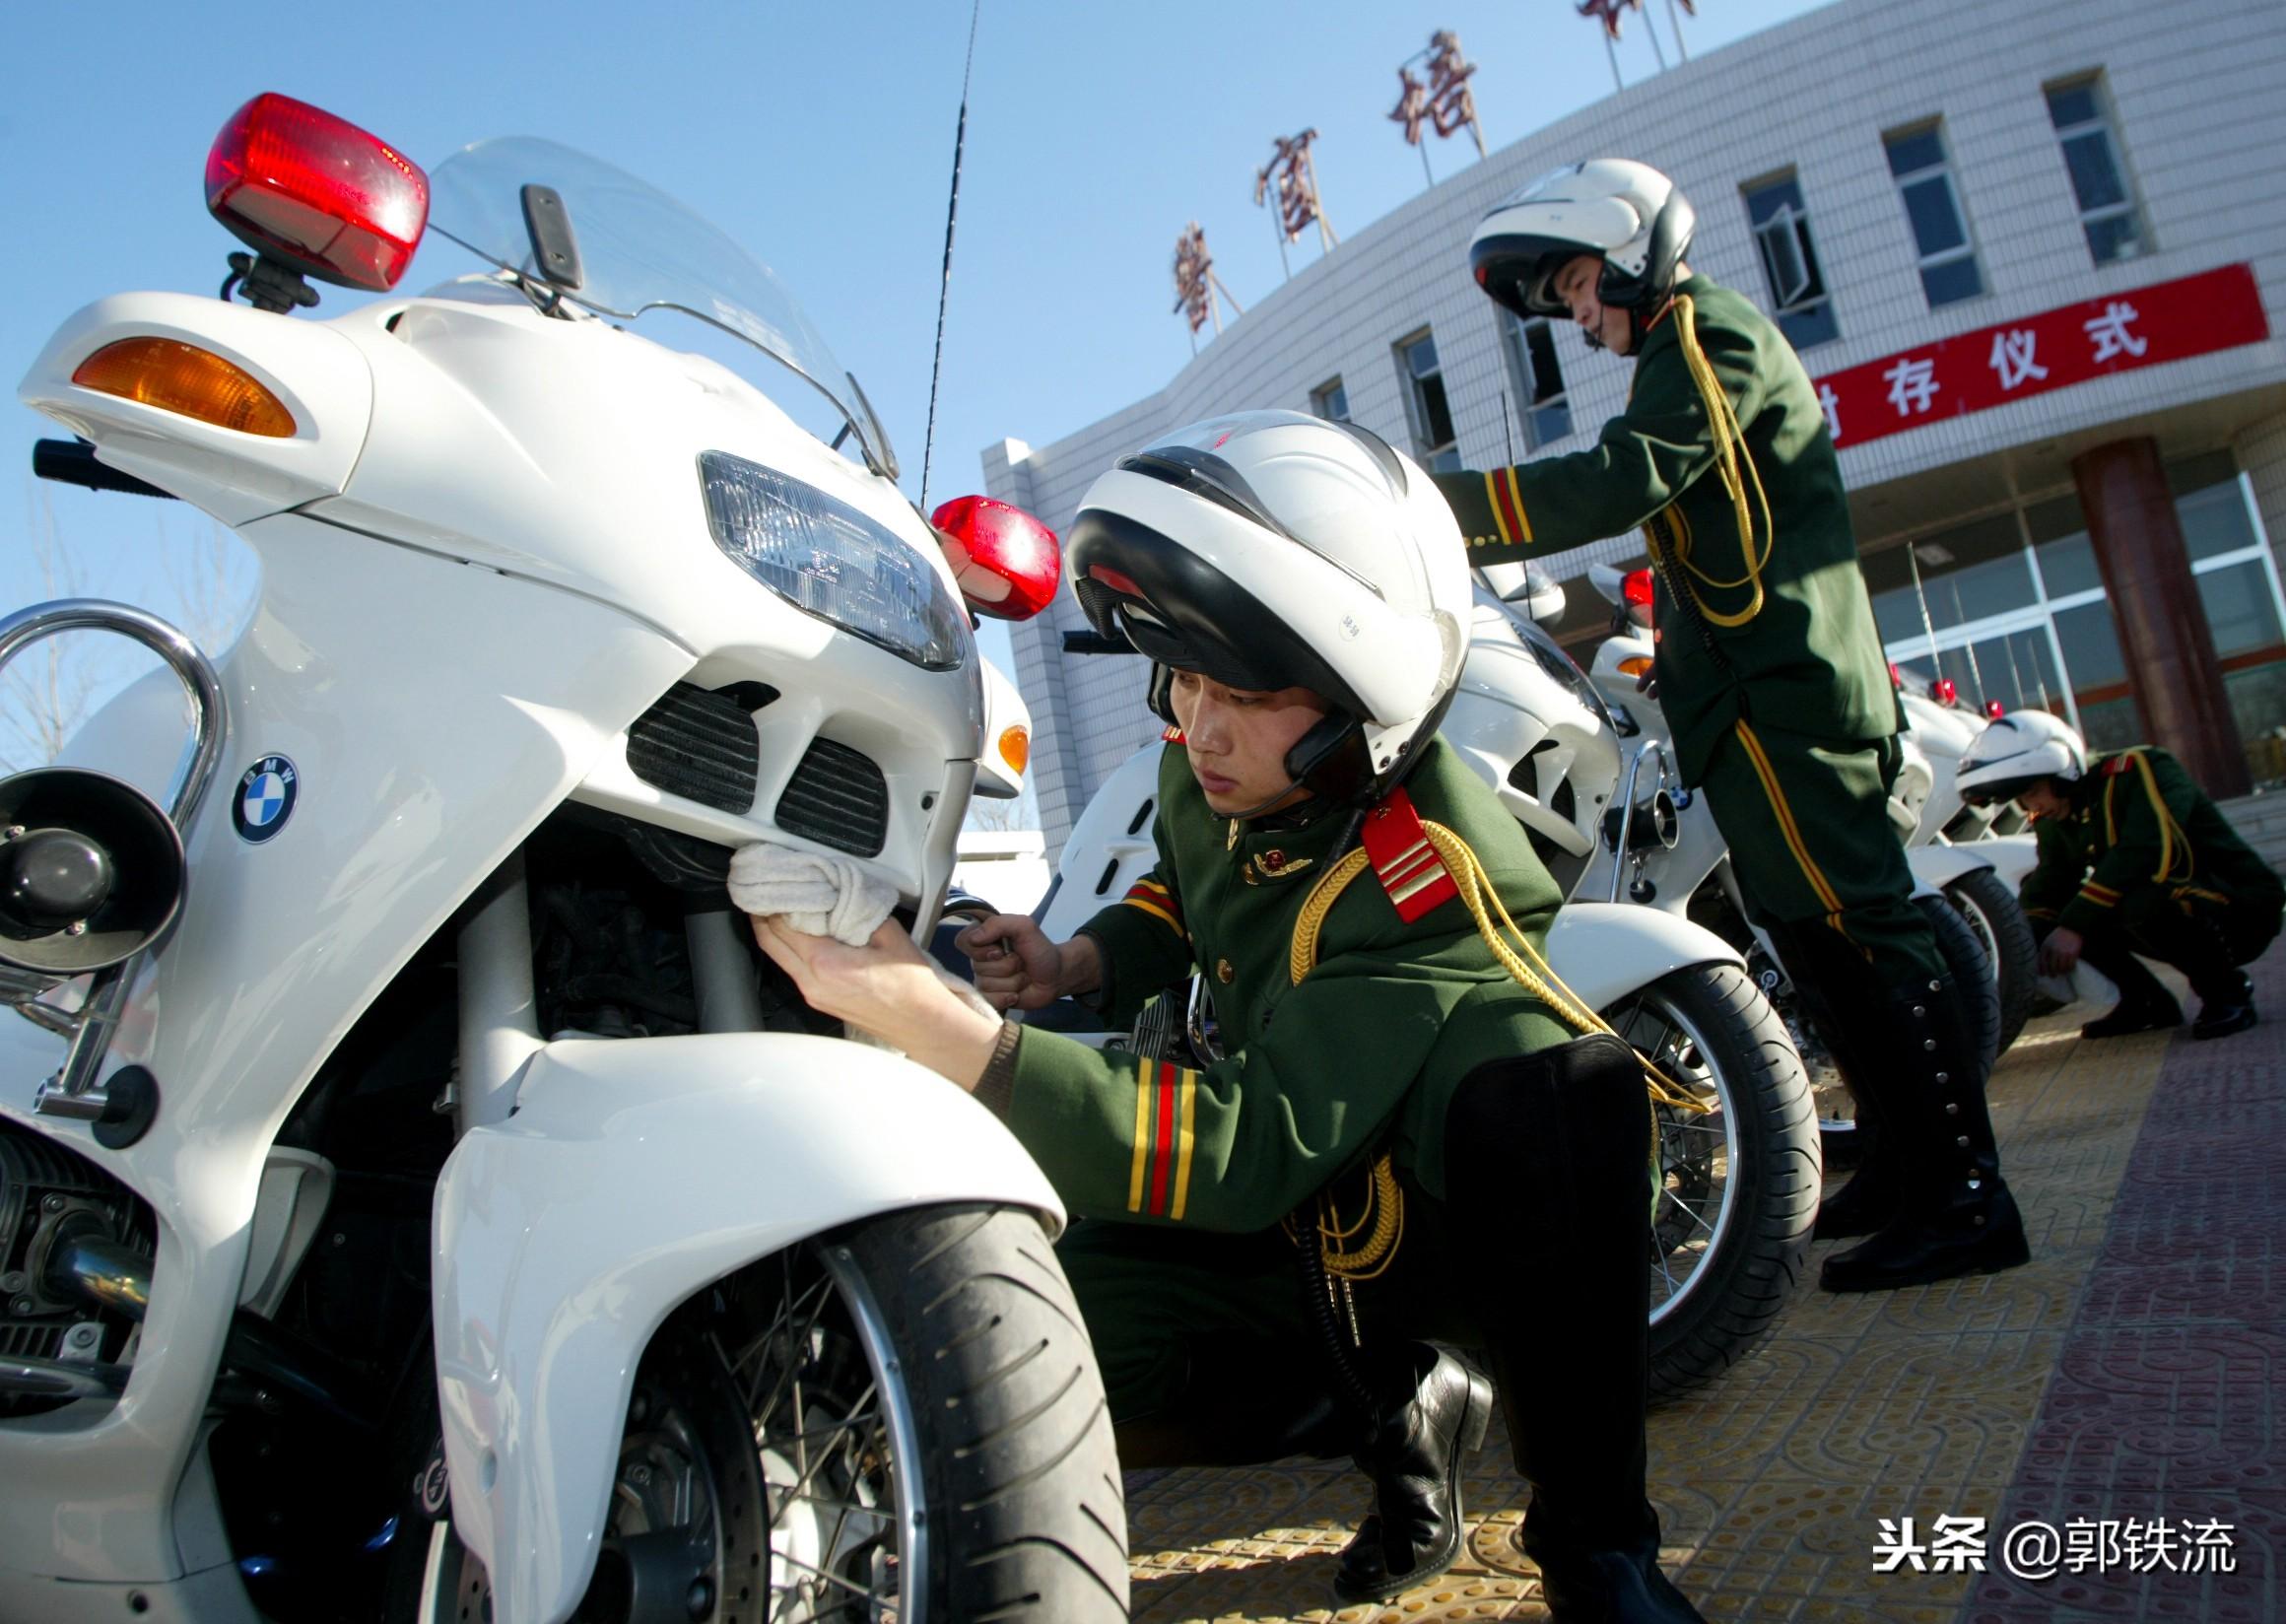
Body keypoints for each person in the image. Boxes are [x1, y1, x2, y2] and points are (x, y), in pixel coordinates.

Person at [749, 411, 1707, 1622]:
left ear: (1362, 698)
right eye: (1182, 680)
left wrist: (928, 1021)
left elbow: (1246, 1144)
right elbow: (1192, 890)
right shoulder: (1215, 772)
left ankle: (1595, 1536)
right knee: (1010, 1340)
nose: (1197, 727)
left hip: (1418, 1229)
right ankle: (1393, 1405)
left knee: (1561, 1094)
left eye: (1239, 693)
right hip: (1286, 1226)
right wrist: (1076, 959)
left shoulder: (1431, 872)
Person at [1424, 157, 2026, 1294]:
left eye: (1578, 289)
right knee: (1817, 947)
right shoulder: (1675, 351)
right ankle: (1908, 1168)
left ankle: (1966, 1193)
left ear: (1626, 253)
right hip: (1752, 709)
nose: (1579, 318)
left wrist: (1430, 508)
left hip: (1783, 699)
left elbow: (1620, 480)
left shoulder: (1703, 337)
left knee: (1865, 935)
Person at [1956, 712, 2284, 1040]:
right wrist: (2022, 938)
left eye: (2034, 791)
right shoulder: (2055, 814)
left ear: (2063, 773)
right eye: (2023, 799)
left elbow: (2146, 852)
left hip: (2241, 904)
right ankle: (2146, 1003)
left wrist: (2074, 926)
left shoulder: (2140, 770)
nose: (2033, 806)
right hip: (2180, 900)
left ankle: (2228, 995)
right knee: (2052, 917)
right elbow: (2051, 879)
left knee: (2133, 899)